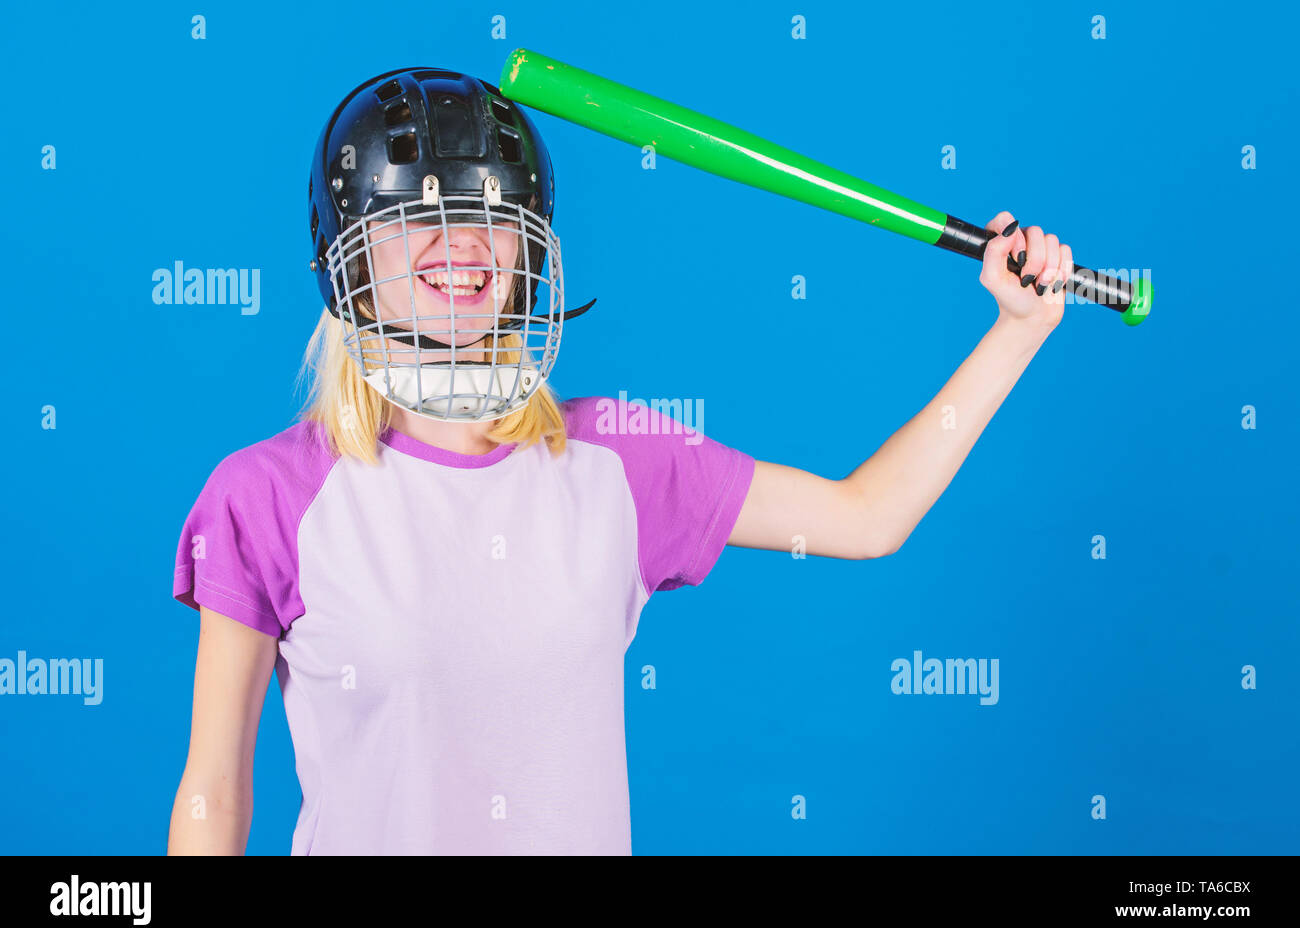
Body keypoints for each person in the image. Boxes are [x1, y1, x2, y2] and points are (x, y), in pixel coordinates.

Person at [167, 67, 1068, 855]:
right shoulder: (265, 497)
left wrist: (1017, 334)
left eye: (494, 214)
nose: (466, 245)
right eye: (415, 217)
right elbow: (214, 790)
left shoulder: (618, 457)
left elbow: (869, 517)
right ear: (347, 262)